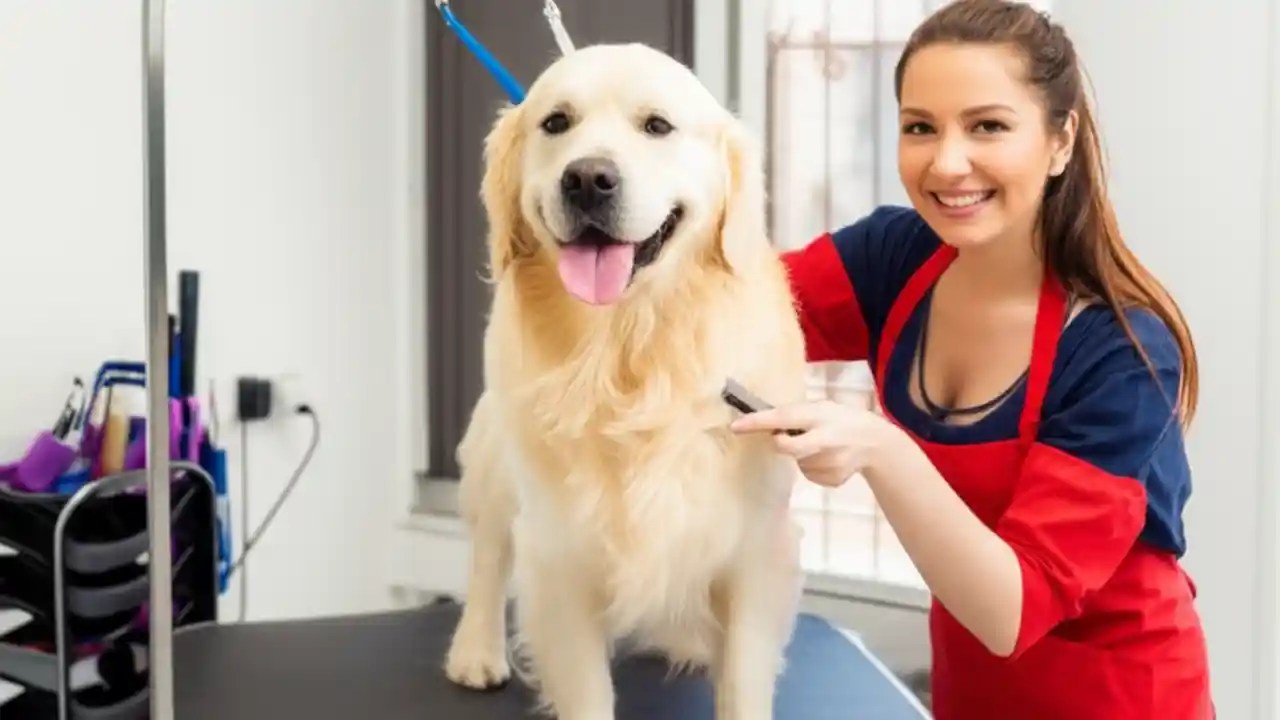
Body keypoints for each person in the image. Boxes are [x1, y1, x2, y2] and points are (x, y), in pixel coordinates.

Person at [729, 1, 1214, 718]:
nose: (947, 162)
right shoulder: (893, 260)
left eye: (987, 125)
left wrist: (880, 451)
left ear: (1060, 139)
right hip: (971, 694)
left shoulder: (1122, 354)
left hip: (1124, 697)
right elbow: (730, 313)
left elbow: (1012, 610)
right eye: (920, 127)